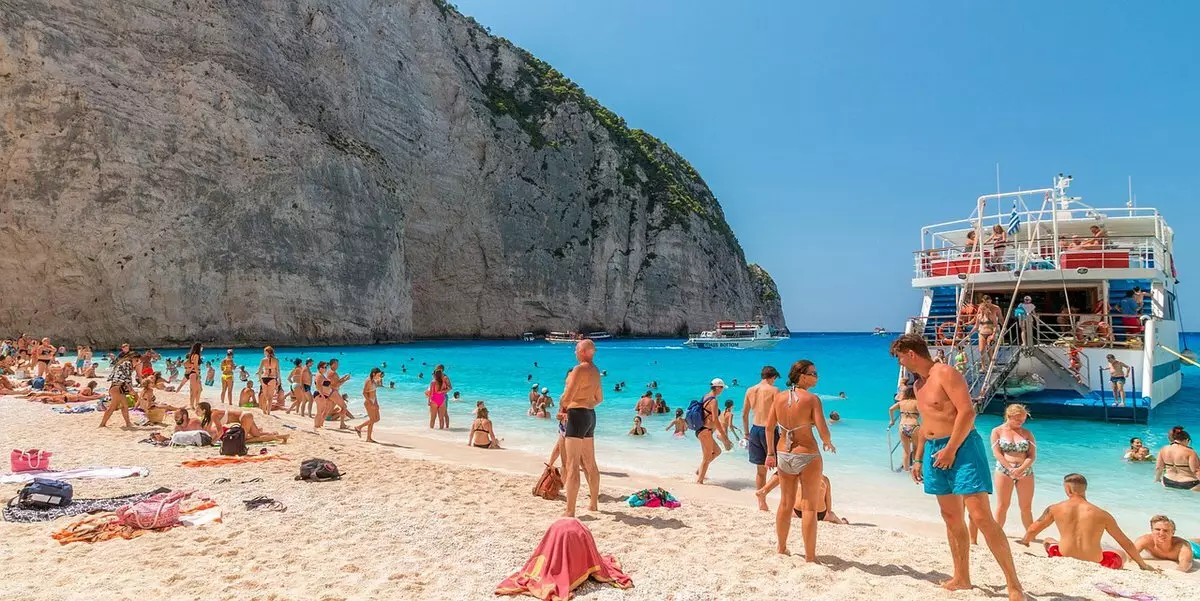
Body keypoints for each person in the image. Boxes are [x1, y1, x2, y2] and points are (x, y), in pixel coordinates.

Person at [890, 333, 1023, 600]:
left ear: (911, 354)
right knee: (950, 517)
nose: (900, 363)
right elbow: (925, 424)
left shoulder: (945, 373)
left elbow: (967, 412)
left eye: (900, 357)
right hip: (932, 450)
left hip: (961, 447)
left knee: (980, 516)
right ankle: (962, 577)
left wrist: (951, 448)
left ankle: (1014, 584)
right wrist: (917, 458)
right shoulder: (918, 385)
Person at [763, 360, 834, 561]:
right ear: (802, 376)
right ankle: (810, 557)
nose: (817, 376)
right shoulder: (812, 399)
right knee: (809, 506)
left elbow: (769, 428)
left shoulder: (779, 397)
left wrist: (770, 453)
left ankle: (782, 547)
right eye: (813, 373)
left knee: (785, 503)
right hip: (807, 454)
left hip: (783, 454)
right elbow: (823, 431)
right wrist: (828, 442)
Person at [1018, 473, 1155, 571]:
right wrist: (1142, 564)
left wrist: (1025, 541)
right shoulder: (1102, 514)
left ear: (1067, 489)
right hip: (1097, 562)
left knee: (1048, 540)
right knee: (1121, 553)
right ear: (1085, 488)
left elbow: (1033, 529)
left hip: (1063, 556)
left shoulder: (1055, 508)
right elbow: (1125, 542)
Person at [971, 404, 1036, 545]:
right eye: (1018, 419)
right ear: (1009, 416)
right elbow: (997, 453)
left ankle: (1030, 536)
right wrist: (1010, 468)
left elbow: (1032, 455)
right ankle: (996, 534)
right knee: (1002, 505)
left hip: (1025, 470)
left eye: (1023, 419)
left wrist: (1021, 468)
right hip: (1004, 470)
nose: (1021, 422)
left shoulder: (1027, 433)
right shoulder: (997, 431)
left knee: (1026, 507)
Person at [559, 339, 602, 517]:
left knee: (572, 464)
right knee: (590, 463)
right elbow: (599, 398)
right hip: (590, 415)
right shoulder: (595, 371)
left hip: (576, 415)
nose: (575, 352)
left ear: (583, 352)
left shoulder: (579, 369)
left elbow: (567, 396)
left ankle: (570, 510)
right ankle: (593, 503)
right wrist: (586, 402)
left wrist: (563, 405)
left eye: (576, 349)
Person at [1134, 515, 1199, 572]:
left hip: (1194, 549)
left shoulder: (1182, 546)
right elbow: (1130, 554)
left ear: (1173, 532)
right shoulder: (1145, 540)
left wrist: (1173, 573)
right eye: (1157, 529)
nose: (1161, 533)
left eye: (1165, 530)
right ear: (1152, 530)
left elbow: (1185, 565)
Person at [696, 378, 730, 484]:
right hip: (705, 431)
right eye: (722, 388)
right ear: (718, 387)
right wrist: (724, 437)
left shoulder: (705, 397)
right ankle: (699, 481)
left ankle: (699, 471)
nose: (722, 390)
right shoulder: (713, 400)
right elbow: (715, 420)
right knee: (706, 458)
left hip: (702, 430)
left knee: (717, 451)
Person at [99, 347, 138, 428]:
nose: (137, 363)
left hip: (114, 387)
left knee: (115, 407)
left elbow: (118, 376)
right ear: (133, 358)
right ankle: (127, 423)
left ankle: (103, 424)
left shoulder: (122, 363)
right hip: (118, 388)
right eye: (137, 361)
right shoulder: (128, 364)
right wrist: (131, 390)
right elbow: (127, 378)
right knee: (121, 406)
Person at [1155, 426, 1200, 490]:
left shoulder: (1163, 449)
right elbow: (1196, 470)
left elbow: (1159, 467)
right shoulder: (1190, 452)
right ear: (1186, 440)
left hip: (1168, 482)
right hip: (1188, 483)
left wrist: (1157, 479)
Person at [887, 385, 920, 471]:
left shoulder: (901, 403)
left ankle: (906, 470)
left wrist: (892, 420)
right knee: (916, 448)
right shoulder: (916, 402)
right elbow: (924, 413)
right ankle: (915, 470)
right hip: (914, 426)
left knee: (906, 451)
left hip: (903, 426)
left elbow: (890, 409)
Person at [355, 368, 383, 442]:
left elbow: (374, 393)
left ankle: (367, 436)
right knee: (373, 419)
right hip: (368, 403)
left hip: (373, 402)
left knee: (376, 419)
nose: (379, 376)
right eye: (378, 374)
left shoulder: (374, 381)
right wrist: (371, 404)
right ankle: (360, 428)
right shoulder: (368, 381)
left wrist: (376, 403)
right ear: (374, 373)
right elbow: (364, 393)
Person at [974, 295, 1001, 365]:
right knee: (981, 350)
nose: (981, 309)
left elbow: (999, 319)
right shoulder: (980, 314)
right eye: (985, 302)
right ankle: (983, 366)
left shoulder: (995, 309)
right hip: (982, 333)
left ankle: (992, 364)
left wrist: (1004, 327)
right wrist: (968, 334)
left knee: (990, 350)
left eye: (988, 302)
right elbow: (976, 324)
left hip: (991, 332)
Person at [256, 346, 280, 416]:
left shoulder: (263, 360)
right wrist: (279, 380)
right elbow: (278, 371)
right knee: (270, 397)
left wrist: (260, 379)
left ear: (267, 352)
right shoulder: (276, 360)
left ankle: (264, 411)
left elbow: (259, 371)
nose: (264, 353)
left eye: (264, 351)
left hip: (264, 378)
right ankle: (268, 412)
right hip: (272, 378)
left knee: (265, 396)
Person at [183, 342, 203, 411]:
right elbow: (195, 366)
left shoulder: (192, 355)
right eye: (201, 347)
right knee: (198, 390)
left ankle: (193, 405)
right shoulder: (196, 355)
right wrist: (198, 375)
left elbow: (189, 364)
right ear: (198, 348)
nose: (202, 348)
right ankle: (195, 404)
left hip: (192, 373)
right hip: (195, 373)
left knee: (194, 390)